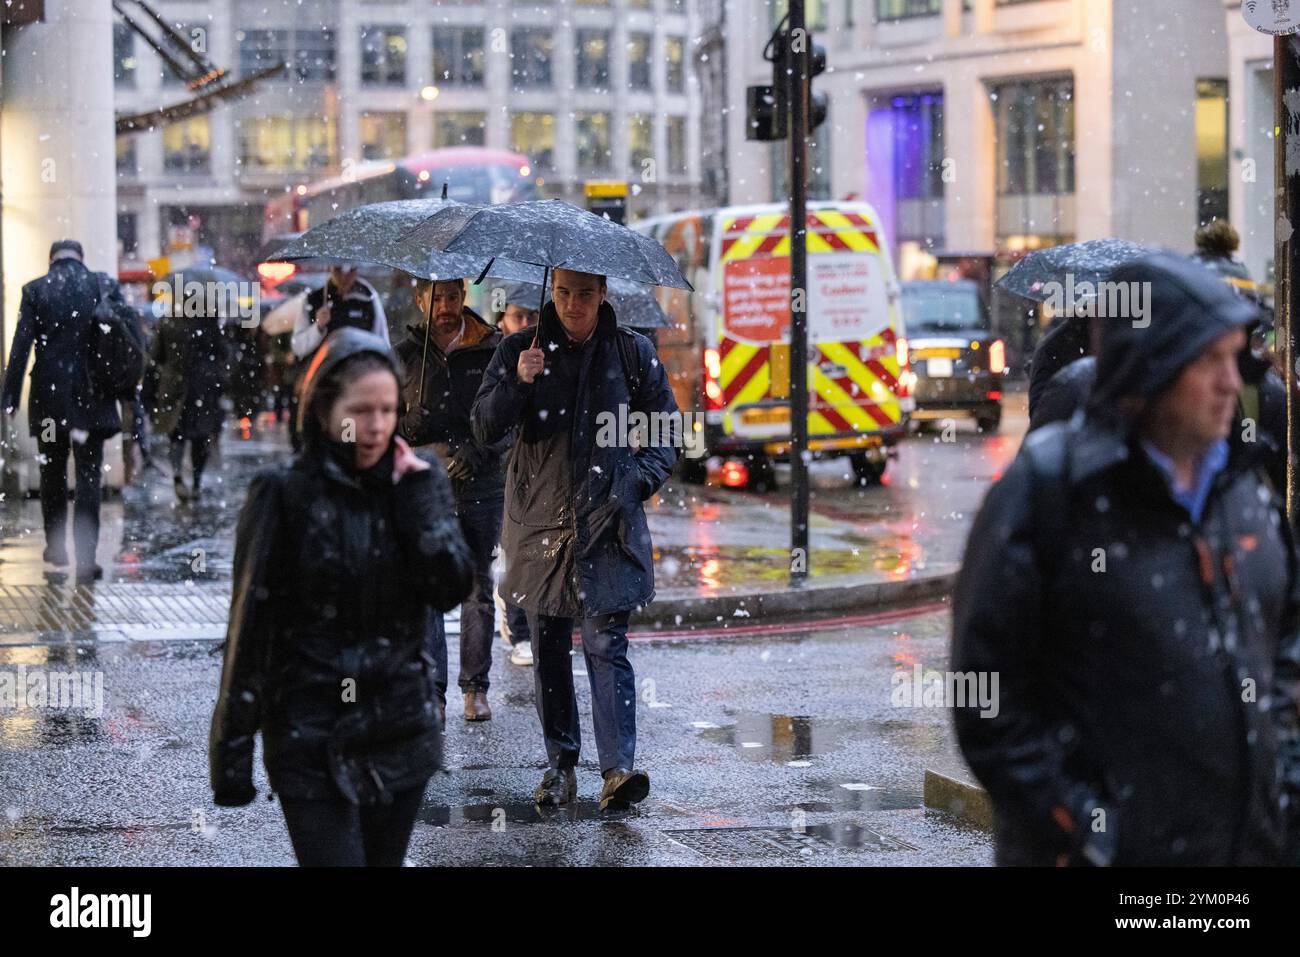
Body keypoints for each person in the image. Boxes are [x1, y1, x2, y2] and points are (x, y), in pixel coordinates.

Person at [952, 252, 1300, 866]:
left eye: (1236, 358)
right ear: (1152, 368)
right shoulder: (1050, 490)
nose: (1232, 383)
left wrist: (1284, 801)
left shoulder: (1246, 489)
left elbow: (1283, 657)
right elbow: (991, 703)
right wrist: (1087, 834)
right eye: (1209, 360)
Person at [210, 327, 473, 867]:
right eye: (361, 409)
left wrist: (417, 504)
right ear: (326, 408)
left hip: (399, 729)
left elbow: (450, 588)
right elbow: (251, 626)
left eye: (387, 410)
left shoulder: (416, 484)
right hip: (311, 735)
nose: (376, 425)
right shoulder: (284, 493)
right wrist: (231, 750)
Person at [472, 267, 679, 811]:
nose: (572, 305)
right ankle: (560, 766)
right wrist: (518, 381)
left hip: (608, 521)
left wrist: (635, 481)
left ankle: (617, 771)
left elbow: (667, 431)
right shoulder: (522, 348)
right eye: (562, 293)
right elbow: (483, 428)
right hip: (539, 525)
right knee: (548, 650)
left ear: (603, 293)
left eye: (584, 294)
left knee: (607, 644)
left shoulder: (632, 353)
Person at [396, 277, 511, 722]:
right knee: (428, 590)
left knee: (479, 588)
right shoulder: (405, 356)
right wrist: (410, 423)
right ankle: (434, 693)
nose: (446, 306)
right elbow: (386, 429)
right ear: (420, 300)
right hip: (427, 490)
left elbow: (508, 419)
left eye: (453, 296)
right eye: (436, 297)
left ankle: (475, 688)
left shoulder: (492, 349)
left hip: (481, 487)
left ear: (464, 297)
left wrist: (478, 451)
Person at [1, 240, 125, 582]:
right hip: (93, 397)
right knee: (88, 475)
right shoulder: (102, 285)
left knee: (51, 471)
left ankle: (56, 548)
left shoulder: (36, 290)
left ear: (50, 259)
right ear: (82, 259)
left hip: (50, 400)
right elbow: (124, 338)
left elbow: (21, 345)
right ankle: (87, 557)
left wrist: (9, 397)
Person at [288, 264, 389, 451]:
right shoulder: (314, 300)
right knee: (317, 434)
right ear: (330, 269)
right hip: (321, 382)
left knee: (349, 434)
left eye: (350, 271)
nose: (344, 277)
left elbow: (381, 342)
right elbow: (298, 346)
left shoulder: (368, 298)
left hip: (357, 383)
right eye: (338, 270)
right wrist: (318, 327)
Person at [142, 288, 230, 502]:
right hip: (203, 388)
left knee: (176, 435)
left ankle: (178, 476)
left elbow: (155, 358)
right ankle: (197, 481)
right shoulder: (209, 324)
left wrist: (150, 389)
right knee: (201, 438)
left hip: (175, 387)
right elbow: (223, 354)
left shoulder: (168, 323)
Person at [492, 282, 541, 666]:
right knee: (512, 554)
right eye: (517, 316)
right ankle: (518, 631)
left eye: (531, 316)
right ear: (503, 319)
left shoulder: (549, 354)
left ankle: (532, 629)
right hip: (499, 473)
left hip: (539, 474)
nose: (524, 323)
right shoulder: (500, 356)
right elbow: (485, 421)